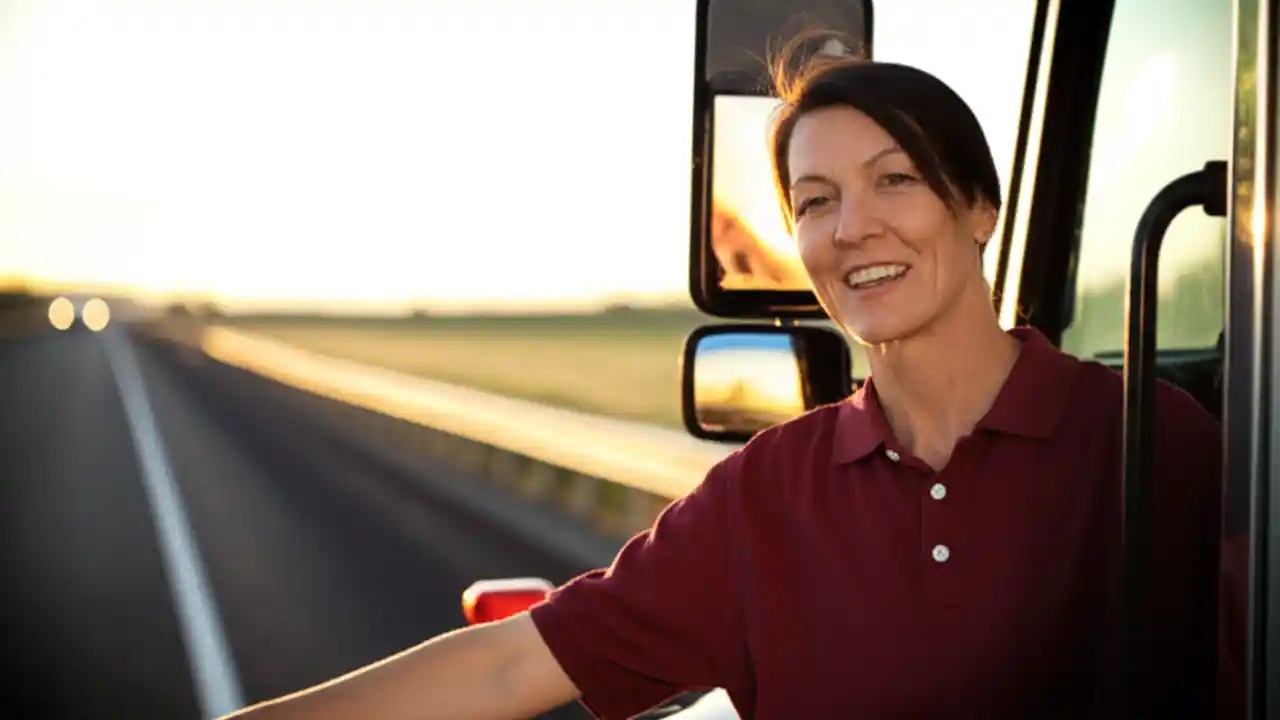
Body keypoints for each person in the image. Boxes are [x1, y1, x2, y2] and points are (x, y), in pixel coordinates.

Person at [222, 32, 1226, 720]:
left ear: (977, 209)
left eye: (894, 180)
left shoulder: (1148, 440)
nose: (852, 228)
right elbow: (510, 666)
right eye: (815, 200)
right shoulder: (765, 493)